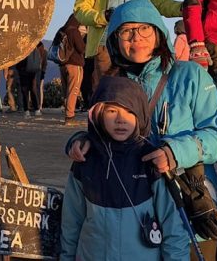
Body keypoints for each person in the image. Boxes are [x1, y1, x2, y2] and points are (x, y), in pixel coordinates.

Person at [67, 0, 217, 261]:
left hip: (187, 208)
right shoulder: (112, 84)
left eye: (144, 28)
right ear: (115, 39)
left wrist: (176, 151)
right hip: (134, 217)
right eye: (126, 31)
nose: (137, 37)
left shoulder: (189, 75)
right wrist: (83, 140)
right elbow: (104, 132)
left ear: (158, 32)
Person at [60, 75, 189, 260]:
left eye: (129, 112)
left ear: (140, 116)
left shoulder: (152, 161)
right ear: (98, 114)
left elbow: (173, 226)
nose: (121, 119)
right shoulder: (85, 161)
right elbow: (71, 221)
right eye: (112, 111)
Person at [55, 14, 87, 125]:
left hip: (62, 64)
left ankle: (67, 114)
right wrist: (83, 37)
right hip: (74, 64)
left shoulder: (62, 30)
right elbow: (81, 48)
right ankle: (70, 117)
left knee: (66, 91)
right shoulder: (74, 31)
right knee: (74, 90)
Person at [16, 45, 42, 117]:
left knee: (25, 91)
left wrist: (18, 68)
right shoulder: (33, 46)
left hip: (23, 70)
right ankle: (36, 109)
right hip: (32, 69)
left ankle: (27, 110)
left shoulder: (20, 47)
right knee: (33, 90)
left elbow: (17, 60)